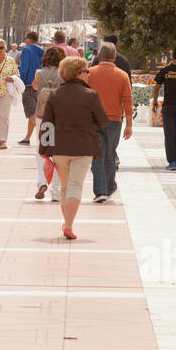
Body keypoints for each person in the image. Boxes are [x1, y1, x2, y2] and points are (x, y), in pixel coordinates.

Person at [39, 56, 108, 240]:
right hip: (84, 146)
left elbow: (46, 124)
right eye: (86, 71)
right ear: (78, 73)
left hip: (60, 147)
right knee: (75, 186)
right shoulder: (91, 95)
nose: (88, 74)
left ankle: (66, 222)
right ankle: (68, 225)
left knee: (64, 187)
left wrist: (43, 149)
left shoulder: (54, 95)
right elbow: (102, 121)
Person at [84, 43, 134, 202]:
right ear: (114, 57)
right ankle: (109, 186)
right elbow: (127, 100)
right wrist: (129, 124)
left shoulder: (89, 73)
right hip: (114, 121)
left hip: (93, 120)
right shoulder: (122, 75)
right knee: (110, 154)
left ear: (99, 56)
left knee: (97, 155)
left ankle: (100, 191)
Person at [31, 46, 66, 201]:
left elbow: (34, 86)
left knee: (43, 148)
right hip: (60, 116)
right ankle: (56, 192)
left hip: (42, 116)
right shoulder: (64, 74)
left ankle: (42, 182)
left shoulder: (39, 73)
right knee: (58, 152)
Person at [16, 31, 45, 144]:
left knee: (31, 113)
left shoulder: (27, 50)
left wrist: (20, 81)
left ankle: (40, 137)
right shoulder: (41, 50)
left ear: (29, 39)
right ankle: (27, 137)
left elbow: (25, 67)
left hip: (28, 84)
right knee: (38, 111)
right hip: (40, 83)